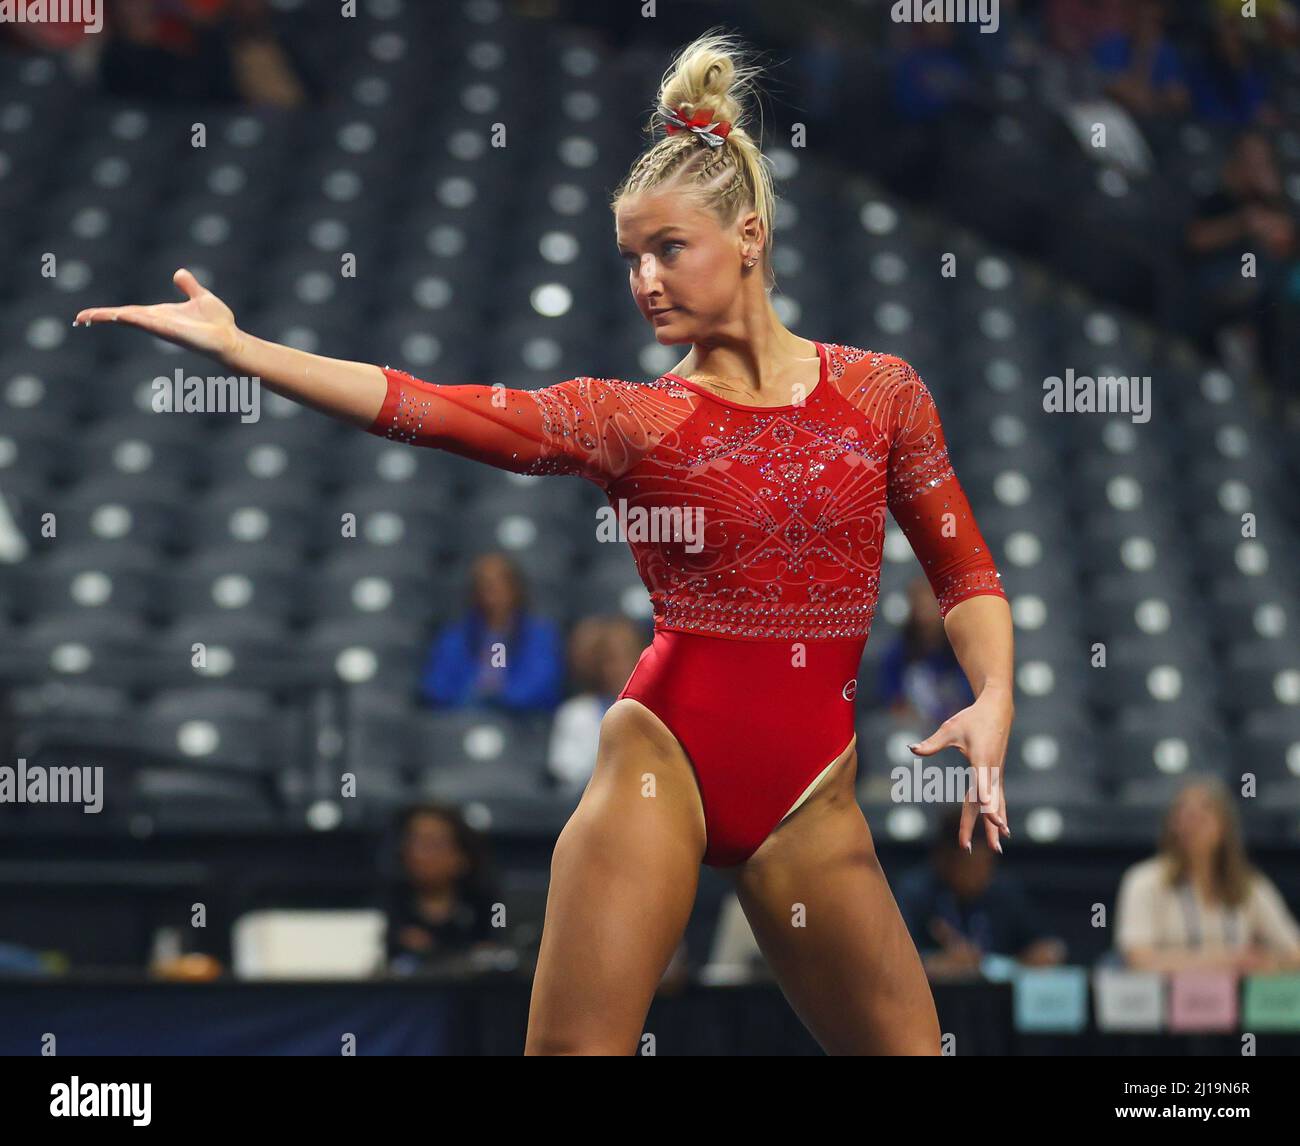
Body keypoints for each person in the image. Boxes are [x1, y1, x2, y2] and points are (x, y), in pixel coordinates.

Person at [72, 28, 1014, 1055]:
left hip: (812, 795)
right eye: (629, 259)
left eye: (668, 249)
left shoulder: (880, 393)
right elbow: (431, 407)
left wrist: (993, 697)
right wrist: (246, 348)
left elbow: (961, 568)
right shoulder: (630, 420)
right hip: (664, 765)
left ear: (748, 237)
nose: (645, 280)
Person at [1115, 776, 1300, 973]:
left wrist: (1268, 962)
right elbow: (1138, 960)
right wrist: (1231, 961)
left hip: (1237, 1000)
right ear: (1172, 823)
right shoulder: (1144, 880)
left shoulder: (1249, 885)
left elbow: (1295, 952)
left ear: (1225, 826)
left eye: (1205, 809)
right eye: (1183, 810)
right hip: (1163, 998)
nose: (1192, 818)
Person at [894, 808, 1066, 980]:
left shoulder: (1003, 892)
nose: (980, 875)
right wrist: (936, 963)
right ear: (944, 860)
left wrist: (1042, 954)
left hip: (995, 998)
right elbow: (895, 960)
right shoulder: (915, 893)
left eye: (986, 865)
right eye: (970, 866)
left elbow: (1049, 944)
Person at [420, 552, 566, 712]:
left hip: (522, 725)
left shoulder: (540, 637)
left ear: (516, 589)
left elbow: (544, 686)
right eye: (486, 586)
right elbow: (436, 686)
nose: (494, 593)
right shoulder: (453, 638)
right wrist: (474, 698)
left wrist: (499, 699)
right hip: (462, 720)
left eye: (500, 585)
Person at [381, 802, 504, 975]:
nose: (422, 855)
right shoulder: (389, 904)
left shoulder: (489, 906)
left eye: (434, 844)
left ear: (462, 856)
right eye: (416, 842)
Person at [547, 616, 648, 791]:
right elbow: (566, 775)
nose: (619, 668)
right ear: (599, 666)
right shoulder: (575, 714)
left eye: (627, 658)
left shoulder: (658, 714)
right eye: (611, 661)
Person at [877, 575, 975, 727]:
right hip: (915, 726)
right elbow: (894, 699)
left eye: (930, 604)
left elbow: (970, 695)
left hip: (958, 723)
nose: (925, 613)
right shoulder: (899, 651)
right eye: (920, 605)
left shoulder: (959, 648)